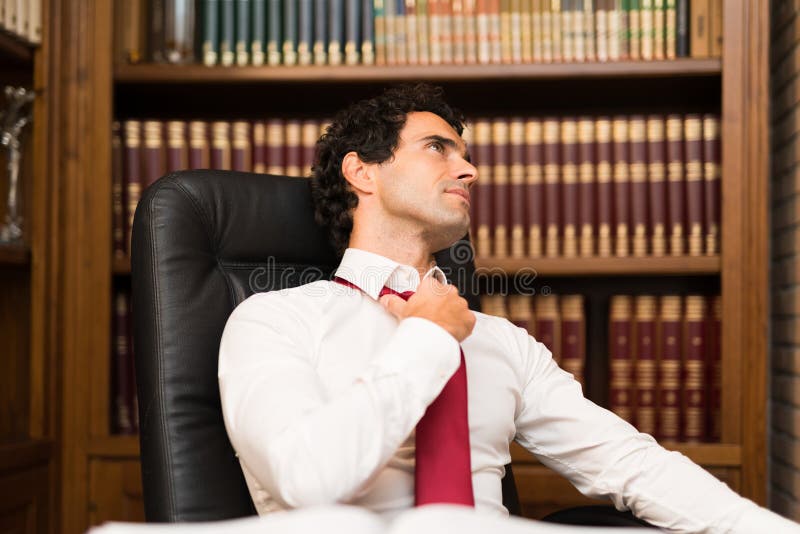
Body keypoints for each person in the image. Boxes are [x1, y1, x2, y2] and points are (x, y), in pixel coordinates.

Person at [217, 84, 798, 533]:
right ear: (361, 171)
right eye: (436, 148)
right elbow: (307, 480)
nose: (468, 170)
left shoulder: (503, 344)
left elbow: (634, 466)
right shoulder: (273, 319)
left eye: (465, 156)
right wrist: (428, 338)